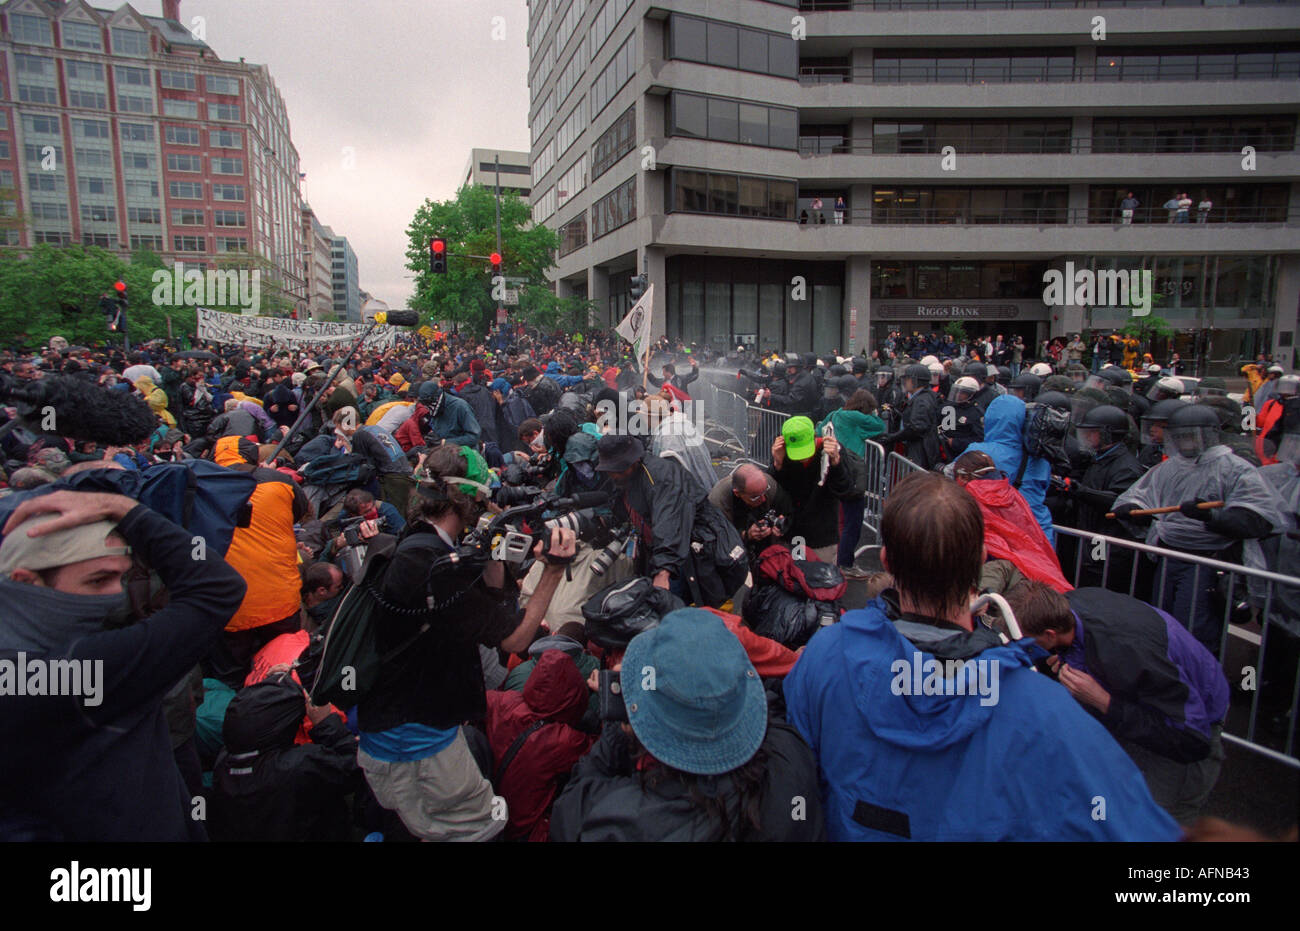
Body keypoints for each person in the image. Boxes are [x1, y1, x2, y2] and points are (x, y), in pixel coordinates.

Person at [783, 472, 1180, 841]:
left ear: (886, 562)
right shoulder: (1045, 711)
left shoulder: (826, 656)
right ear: (982, 561)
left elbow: (798, 781)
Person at [357, 444, 577, 842]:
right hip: (419, 747)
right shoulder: (435, 569)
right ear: (465, 496)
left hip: (391, 733)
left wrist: (490, 556)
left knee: (420, 826)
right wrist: (553, 570)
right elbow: (514, 638)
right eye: (481, 496)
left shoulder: (416, 542)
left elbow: (479, 613)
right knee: (482, 829)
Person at [0, 490, 246, 840]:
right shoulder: (77, 671)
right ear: (26, 581)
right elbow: (217, 588)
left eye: (121, 579)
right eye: (97, 580)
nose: (117, 597)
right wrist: (122, 507)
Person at [548, 608, 826, 841]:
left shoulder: (617, 819)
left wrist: (624, 720)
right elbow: (759, 708)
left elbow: (568, 810)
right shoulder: (792, 752)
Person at [1006, 581, 1229, 824]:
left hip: (1190, 728)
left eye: (1027, 640)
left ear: (1049, 634)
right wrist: (1065, 661)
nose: (1024, 646)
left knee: (1157, 820)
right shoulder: (1068, 608)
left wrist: (1104, 702)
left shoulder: (1127, 650)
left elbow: (1193, 740)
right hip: (1156, 703)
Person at [1112, 404, 1285, 654]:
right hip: (1170, 556)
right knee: (1165, 621)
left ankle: (1200, 685)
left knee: (1194, 629)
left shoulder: (1234, 468)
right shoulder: (1170, 467)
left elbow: (1259, 518)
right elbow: (1143, 495)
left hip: (1207, 561)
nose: (1184, 442)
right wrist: (1131, 509)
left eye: (1189, 435)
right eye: (1179, 436)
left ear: (1208, 435)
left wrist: (1212, 516)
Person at [208, 436, 311, 687]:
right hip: (280, 600)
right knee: (285, 667)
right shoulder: (280, 482)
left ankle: (233, 716)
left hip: (229, 607)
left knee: (230, 679)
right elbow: (302, 513)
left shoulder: (202, 486)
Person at [209, 675, 360, 842]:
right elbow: (354, 768)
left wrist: (277, 683)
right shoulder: (298, 766)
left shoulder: (225, 760)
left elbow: (255, 719)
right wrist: (325, 723)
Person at [484, 650, 597, 842]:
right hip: (525, 829)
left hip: (490, 813)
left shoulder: (502, 702)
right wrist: (604, 695)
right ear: (573, 693)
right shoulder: (563, 741)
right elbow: (603, 750)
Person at [768, 416, 864, 563]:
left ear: (814, 438)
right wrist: (777, 465)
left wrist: (836, 463)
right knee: (790, 579)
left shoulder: (831, 450)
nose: (802, 459)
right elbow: (774, 491)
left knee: (822, 581)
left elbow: (845, 490)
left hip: (821, 535)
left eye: (805, 452)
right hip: (791, 531)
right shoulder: (782, 453)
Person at [965, 394, 1055, 544]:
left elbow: (954, 476)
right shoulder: (1040, 458)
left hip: (1001, 539)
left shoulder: (978, 451)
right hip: (1039, 537)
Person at [707, 462, 795, 552]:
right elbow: (717, 541)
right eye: (756, 497)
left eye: (765, 491)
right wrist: (746, 535)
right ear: (737, 493)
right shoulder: (718, 503)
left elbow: (788, 510)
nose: (763, 499)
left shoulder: (769, 485)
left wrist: (782, 526)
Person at [878, 363, 941, 470]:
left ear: (915, 381)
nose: (905, 382)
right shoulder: (921, 397)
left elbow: (917, 427)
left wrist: (893, 437)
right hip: (919, 448)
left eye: (907, 379)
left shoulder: (922, 400)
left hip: (920, 451)